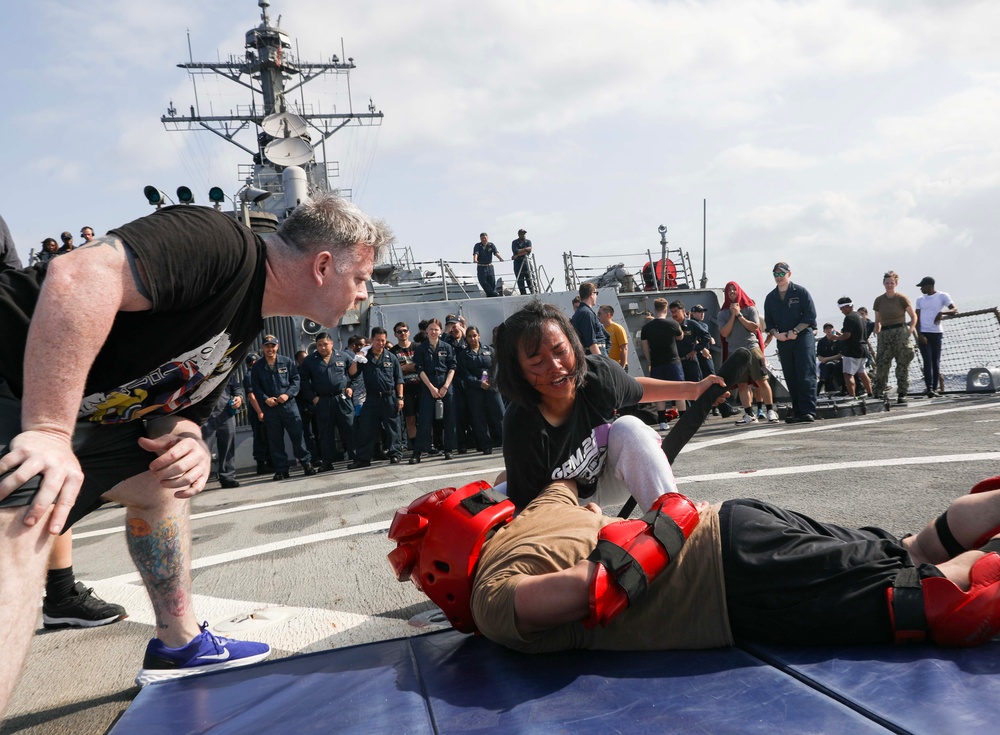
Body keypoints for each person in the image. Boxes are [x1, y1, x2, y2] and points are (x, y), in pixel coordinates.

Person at [0, 192, 392, 712]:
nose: (364, 294)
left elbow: (176, 409)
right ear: (323, 265)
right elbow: (79, 274)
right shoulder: (222, 244)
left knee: (161, 478)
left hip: (85, 418)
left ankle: (178, 645)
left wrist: (188, 442)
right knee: (28, 513)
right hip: (15, 379)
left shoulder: (245, 322)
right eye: (361, 278)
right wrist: (48, 428)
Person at [388, 474, 1000, 652]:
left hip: (733, 585)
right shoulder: (537, 507)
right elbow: (576, 487)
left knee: (928, 600)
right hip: (737, 522)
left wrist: (663, 531)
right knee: (912, 551)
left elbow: (589, 589)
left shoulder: (495, 595)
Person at [493, 301, 723, 513]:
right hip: (557, 500)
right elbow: (531, 512)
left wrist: (694, 390)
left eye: (560, 351)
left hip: (608, 478)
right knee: (497, 499)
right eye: (536, 362)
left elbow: (636, 388)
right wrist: (580, 519)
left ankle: (673, 516)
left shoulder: (599, 376)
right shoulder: (521, 424)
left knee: (630, 427)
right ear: (518, 371)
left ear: (574, 346)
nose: (555, 366)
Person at [251, 335, 317, 481]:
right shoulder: (257, 367)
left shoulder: (286, 362)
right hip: (270, 409)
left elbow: (296, 380)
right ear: (263, 348)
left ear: (277, 346)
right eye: (267, 346)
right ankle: (281, 469)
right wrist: (265, 399)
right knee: (275, 441)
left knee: (298, 437)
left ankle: (307, 464)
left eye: (272, 346)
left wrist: (288, 395)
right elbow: (255, 387)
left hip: (289, 407)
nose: (270, 349)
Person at [764, 262, 818, 423]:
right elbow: (769, 323)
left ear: (789, 274)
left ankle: (808, 411)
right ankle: (797, 411)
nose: (778, 277)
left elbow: (810, 315)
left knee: (805, 374)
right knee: (791, 375)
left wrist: (795, 331)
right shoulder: (771, 298)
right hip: (783, 340)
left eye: (781, 274)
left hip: (802, 337)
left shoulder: (800, 292)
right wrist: (776, 334)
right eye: (776, 274)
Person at [718, 281, 778, 425]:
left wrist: (739, 315)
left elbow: (754, 327)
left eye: (734, 289)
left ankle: (770, 410)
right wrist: (732, 315)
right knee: (742, 385)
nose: (732, 292)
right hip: (735, 353)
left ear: (739, 291)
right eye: (729, 290)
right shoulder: (722, 313)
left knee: (761, 380)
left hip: (752, 348)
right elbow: (724, 332)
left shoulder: (750, 308)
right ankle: (749, 414)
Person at [299, 332, 355, 469]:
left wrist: (351, 387)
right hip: (323, 400)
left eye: (325, 344)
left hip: (342, 398)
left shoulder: (343, 356)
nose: (322, 347)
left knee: (350, 427)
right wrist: (313, 397)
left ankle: (356, 457)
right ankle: (327, 462)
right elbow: (303, 381)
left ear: (331, 343)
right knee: (325, 432)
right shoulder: (310, 360)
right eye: (319, 345)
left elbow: (355, 373)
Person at [348, 327, 404, 467]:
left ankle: (395, 454)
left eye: (383, 340)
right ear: (372, 340)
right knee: (367, 428)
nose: (380, 343)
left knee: (392, 427)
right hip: (372, 398)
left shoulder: (391, 357)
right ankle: (364, 458)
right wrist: (357, 358)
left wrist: (401, 398)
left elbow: (399, 379)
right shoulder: (365, 358)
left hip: (389, 397)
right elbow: (352, 373)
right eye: (378, 340)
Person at [410, 318, 457, 464]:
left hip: (445, 385)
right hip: (428, 385)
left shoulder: (447, 347)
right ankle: (418, 452)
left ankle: (448, 449)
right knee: (424, 420)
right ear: (426, 331)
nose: (433, 332)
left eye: (436, 329)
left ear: (441, 331)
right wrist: (432, 388)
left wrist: (445, 387)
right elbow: (420, 369)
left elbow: (452, 367)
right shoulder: (421, 348)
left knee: (449, 419)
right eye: (431, 329)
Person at [872, 270, 917, 405]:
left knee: (902, 363)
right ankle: (879, 391)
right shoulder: (879, 300)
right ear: (883, 284)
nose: (889, 285)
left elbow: (913, 316)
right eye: (887, 283)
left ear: (896, 283)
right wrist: (877, 329)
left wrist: (911, 329)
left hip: (900, 331)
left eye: (892, 283)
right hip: (885, 334)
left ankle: (902, 392)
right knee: (882, 364)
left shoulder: (902, 298)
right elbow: (877, 320)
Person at [457, 326, 503, 454]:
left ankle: (505, 440)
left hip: (492, 387)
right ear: (466, 338)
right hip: (474, 390)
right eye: (470, 336)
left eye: (474, 335)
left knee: (499, 414)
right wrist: (478, 383)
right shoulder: (463, 354)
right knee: (479, 418)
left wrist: (491, 381)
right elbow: (465, 374)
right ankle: (485, 444)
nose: (472, 338)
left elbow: (496, 367)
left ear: (479, 335)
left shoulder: (490, 350)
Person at [640, 298, 683, 430]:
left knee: (659, 393)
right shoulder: (673, 324)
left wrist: (649, 362)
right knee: (680, 391)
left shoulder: (646, 327)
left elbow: (645, 346)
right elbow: (680, 337)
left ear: (655, 310)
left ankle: (663, 421)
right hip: (673, 362)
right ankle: (683, 420)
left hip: (657, 363)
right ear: (666, 310)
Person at [915, 277, 958, 398]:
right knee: (927, 360)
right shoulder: (920, 300)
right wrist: (919, 334)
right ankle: (929, 388)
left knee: (935, 361)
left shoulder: (942, 296)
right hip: (924, 333)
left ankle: (934, 388)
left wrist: (942, 313)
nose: (921, 289)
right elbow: (917, 318)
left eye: (922, 287)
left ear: (929, 286)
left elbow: (955, 309)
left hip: (937, 332)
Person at [200, 372, 244, 489]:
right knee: (202, 450)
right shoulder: (201, 371)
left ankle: (227, 478)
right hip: (204, 416)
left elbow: (237, 388)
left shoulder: (227, 371)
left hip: (225, 414)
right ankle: (198, 480)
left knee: (227, 447)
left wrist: (238, 397)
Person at [829, 297, 873, 399]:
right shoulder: (860, 316)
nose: (841, 311)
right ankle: (870, 393)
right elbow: (855, 333)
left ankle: (852, 396)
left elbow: (847, 336)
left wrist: (836, 337)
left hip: (852, 350)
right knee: (862, 373)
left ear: (847, 307)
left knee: (848, 374)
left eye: (842, 308)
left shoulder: (849, 318)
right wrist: (841, 334)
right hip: (863, 349)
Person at [390, 322, 421, 450]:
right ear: (395, 334)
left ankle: (428, 444)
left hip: (421, 387)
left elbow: (419, 365)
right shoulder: (392, 352)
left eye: (404, 330)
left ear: (408, 332)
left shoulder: (418, 347)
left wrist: (405, 367)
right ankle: (415, 445)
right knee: (410, 418)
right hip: (405, 388)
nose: (402, 333)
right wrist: (410, 367)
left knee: (425, 417)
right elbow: (394, 371)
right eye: (399, 331)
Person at [243, 353, 272, 474]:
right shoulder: (250, 375)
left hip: (265, 408)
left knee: (268, 436)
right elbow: (251, 396)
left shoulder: (260, 373)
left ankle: (270, 461)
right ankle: (262, 464)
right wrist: (260, 412)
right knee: (260, 437)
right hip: (258, 411)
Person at [570, 283, 609, 357]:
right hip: (594, 357)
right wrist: (601, 363)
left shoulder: (581, 312)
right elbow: (591, 342)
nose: (596, 296)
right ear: (591, 294)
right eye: (596, 293)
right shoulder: (586, 314)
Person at [598, 305, 628, 371]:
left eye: (600, 314)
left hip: (618, 365)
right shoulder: (600, 329)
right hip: (607, 365)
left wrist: (622, 367)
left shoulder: (618, 329)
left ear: (608, 315)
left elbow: (624, 349)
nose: (598, 316)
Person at [816, 323, 843, 395]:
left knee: (831, 365)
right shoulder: (821, 342)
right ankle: (824, 383)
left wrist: (827, 359)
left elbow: (840, 355)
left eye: (830, 328)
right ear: (824, 331)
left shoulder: (837, 340)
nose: (828, 330)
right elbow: (819, 356)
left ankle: (822, 383)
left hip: (836, 361)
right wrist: (825, 360)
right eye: (826, 329)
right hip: (825, 362)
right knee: (826, 366)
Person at [473, 233, 503, 298]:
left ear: (487, 238)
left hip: (489, 267)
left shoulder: (491, 245)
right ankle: (495, 295)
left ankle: (491, 296)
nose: (484, 239)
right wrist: (475, 259)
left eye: (485, 238)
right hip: (481, 267)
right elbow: (476, 253)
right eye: (482, 238)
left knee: (492, 282)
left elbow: (495, 252)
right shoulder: (478, 245)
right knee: (483, 282)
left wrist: (500, 258)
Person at [511, 229, 534, 295]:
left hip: (526, 262)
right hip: (518, 263)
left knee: (530, 278)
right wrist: (525, 250)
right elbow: (515, 251)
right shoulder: (515, 242)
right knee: (520, 280)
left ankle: (533, 291)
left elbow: (529, 251)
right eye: (522, 234)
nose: (523, 235)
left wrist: (518, 254)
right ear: (519, 235)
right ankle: (523, 294)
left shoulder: (528, 241)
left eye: (524, 234)